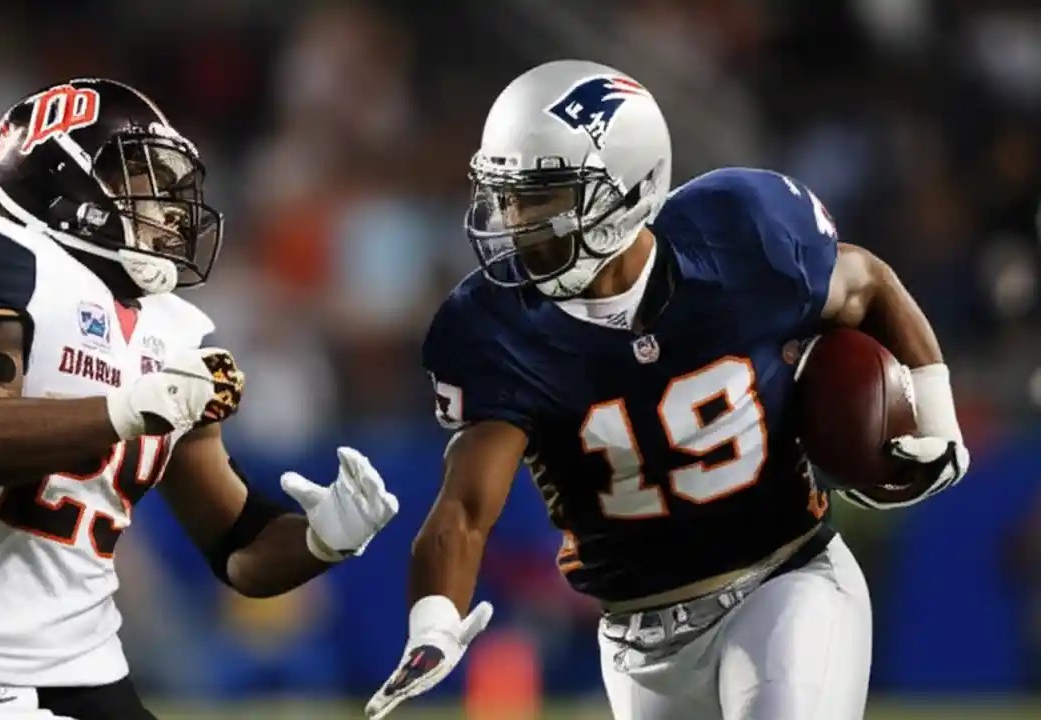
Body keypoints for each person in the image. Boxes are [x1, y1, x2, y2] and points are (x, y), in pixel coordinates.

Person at [366, 60, 969, 720]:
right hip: (638, 644)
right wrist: (433, 624)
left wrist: (936, 412)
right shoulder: (495, 328)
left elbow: (868, 283)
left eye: (543, 196)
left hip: (786, 581)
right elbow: (463, 508)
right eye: (507, 195)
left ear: (628, 187)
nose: (515, 220)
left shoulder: (744, 234)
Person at [0, 78, 398, 720]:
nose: (167, 208)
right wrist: (128, 409)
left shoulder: (170, 329)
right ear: (61, 180)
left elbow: (238, 549)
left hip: (85, 666)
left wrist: (325, 538)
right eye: (141, 180)